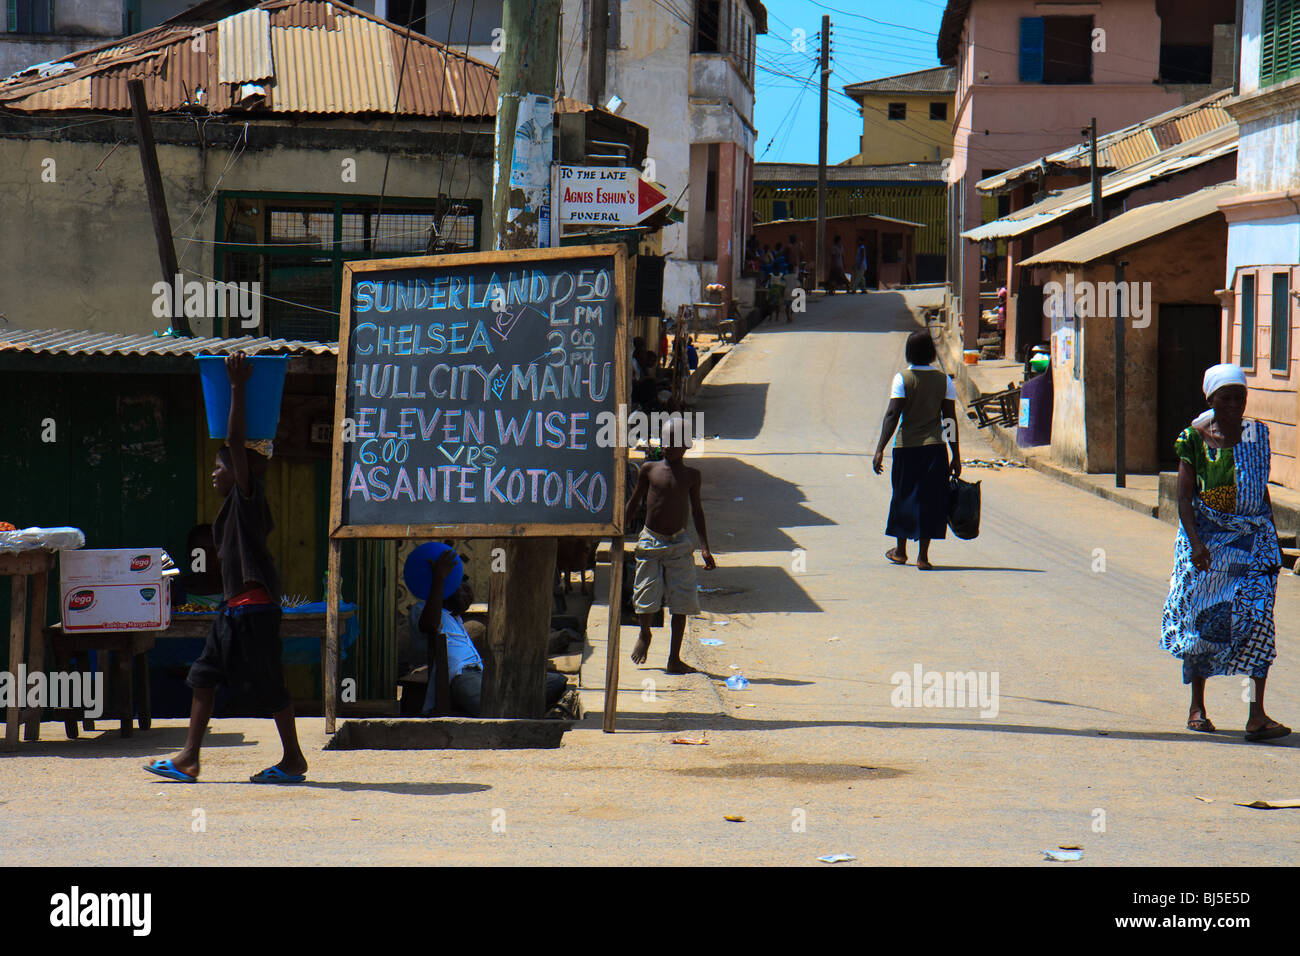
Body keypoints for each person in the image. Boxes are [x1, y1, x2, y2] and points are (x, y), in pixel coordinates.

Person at [145, 352, 307, 784]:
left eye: (221, 468)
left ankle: (293, 760)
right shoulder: (232, 511)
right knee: (203, 676)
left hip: (253, 610)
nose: (215, 474)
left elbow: (237, 443)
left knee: (270, 687)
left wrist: (236, 386)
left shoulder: (247, 501)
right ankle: (189, 758)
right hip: (233, 609)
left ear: (242, 473)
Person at [1162, 364, 1290, 741]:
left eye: (1240, 397)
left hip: (1255, 543)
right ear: (1211, 400)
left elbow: (1260, 490)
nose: (1235, 404)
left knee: (1258, 623)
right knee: (1205, 624)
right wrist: (1197, 546)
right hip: (1208, 544)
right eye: (1226, 398)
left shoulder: (1258, 435)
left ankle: (1257, 714)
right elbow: (1184, 499)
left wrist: (1272, 539)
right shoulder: (1193, 439)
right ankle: (1197, 707)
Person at [414, 549, 574, 717]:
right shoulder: (426, 611)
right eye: (458, 586)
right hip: (462, 677)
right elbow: (429, 624)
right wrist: (439, 578)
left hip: (483, 673)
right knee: (489, 707)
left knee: (557, 682)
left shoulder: (455, 618)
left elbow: (463, 602)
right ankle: (518, 711)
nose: (466, 592)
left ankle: (514, 708)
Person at [626, 416, 716, 672]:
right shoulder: (649, 470)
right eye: (665, 440)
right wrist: (619, 528)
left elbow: (697, 511)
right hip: (651, 540)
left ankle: (674, 658)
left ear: (686, 445)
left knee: (682, 599)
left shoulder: (691, 476)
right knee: (645, 592)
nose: (668, 446)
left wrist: (704, 547)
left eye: (674, 442)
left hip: (678, 542)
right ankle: (645, 633)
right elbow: (634, 502)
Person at [872, 330, 961, 570]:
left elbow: (893, 415)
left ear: (909, 352)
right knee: (931, 500)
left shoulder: (902, 379)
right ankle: (923, 556)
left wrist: (880, 448)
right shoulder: (945, 381)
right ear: (932, 352)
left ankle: (900, 551)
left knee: (903, 496)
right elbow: (949, 419)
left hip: (907, 448)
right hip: (935, 449)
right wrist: (956, 455)